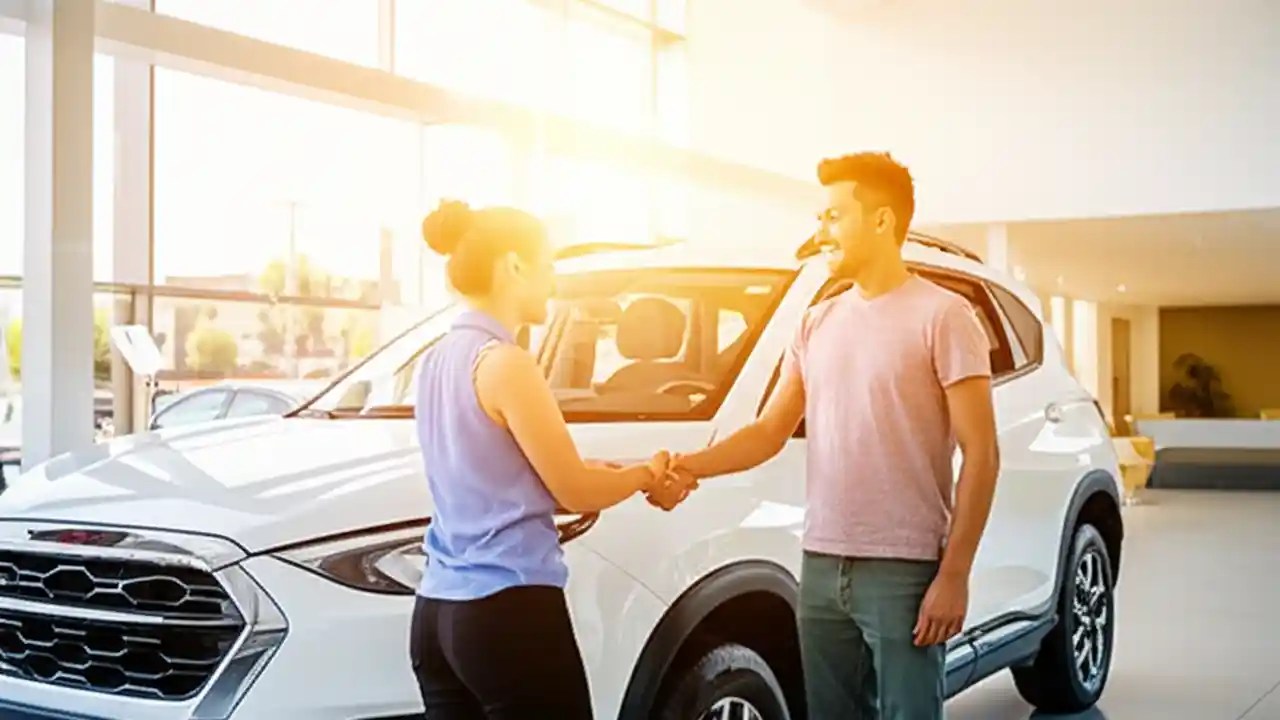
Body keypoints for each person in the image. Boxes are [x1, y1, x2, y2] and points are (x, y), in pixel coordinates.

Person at [667, 152, 1000, 719]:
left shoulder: (944, 317)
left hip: (904, 567)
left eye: (832, 217)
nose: (819, 232)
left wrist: (955, 574)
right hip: (821, 563)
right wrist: (687, 465)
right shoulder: (815, 322)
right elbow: (768, 432)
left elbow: (982, 455)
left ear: (882, 221)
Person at [410, 199, 689, 720]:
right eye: (548, 266)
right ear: (514, 266)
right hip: (508, 611)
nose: (553, 282)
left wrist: (617, 470)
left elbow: (510, 468)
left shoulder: (435, 362)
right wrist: (644, 476)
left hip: (437, 614)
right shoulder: (506, 364)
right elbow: (574, 491)